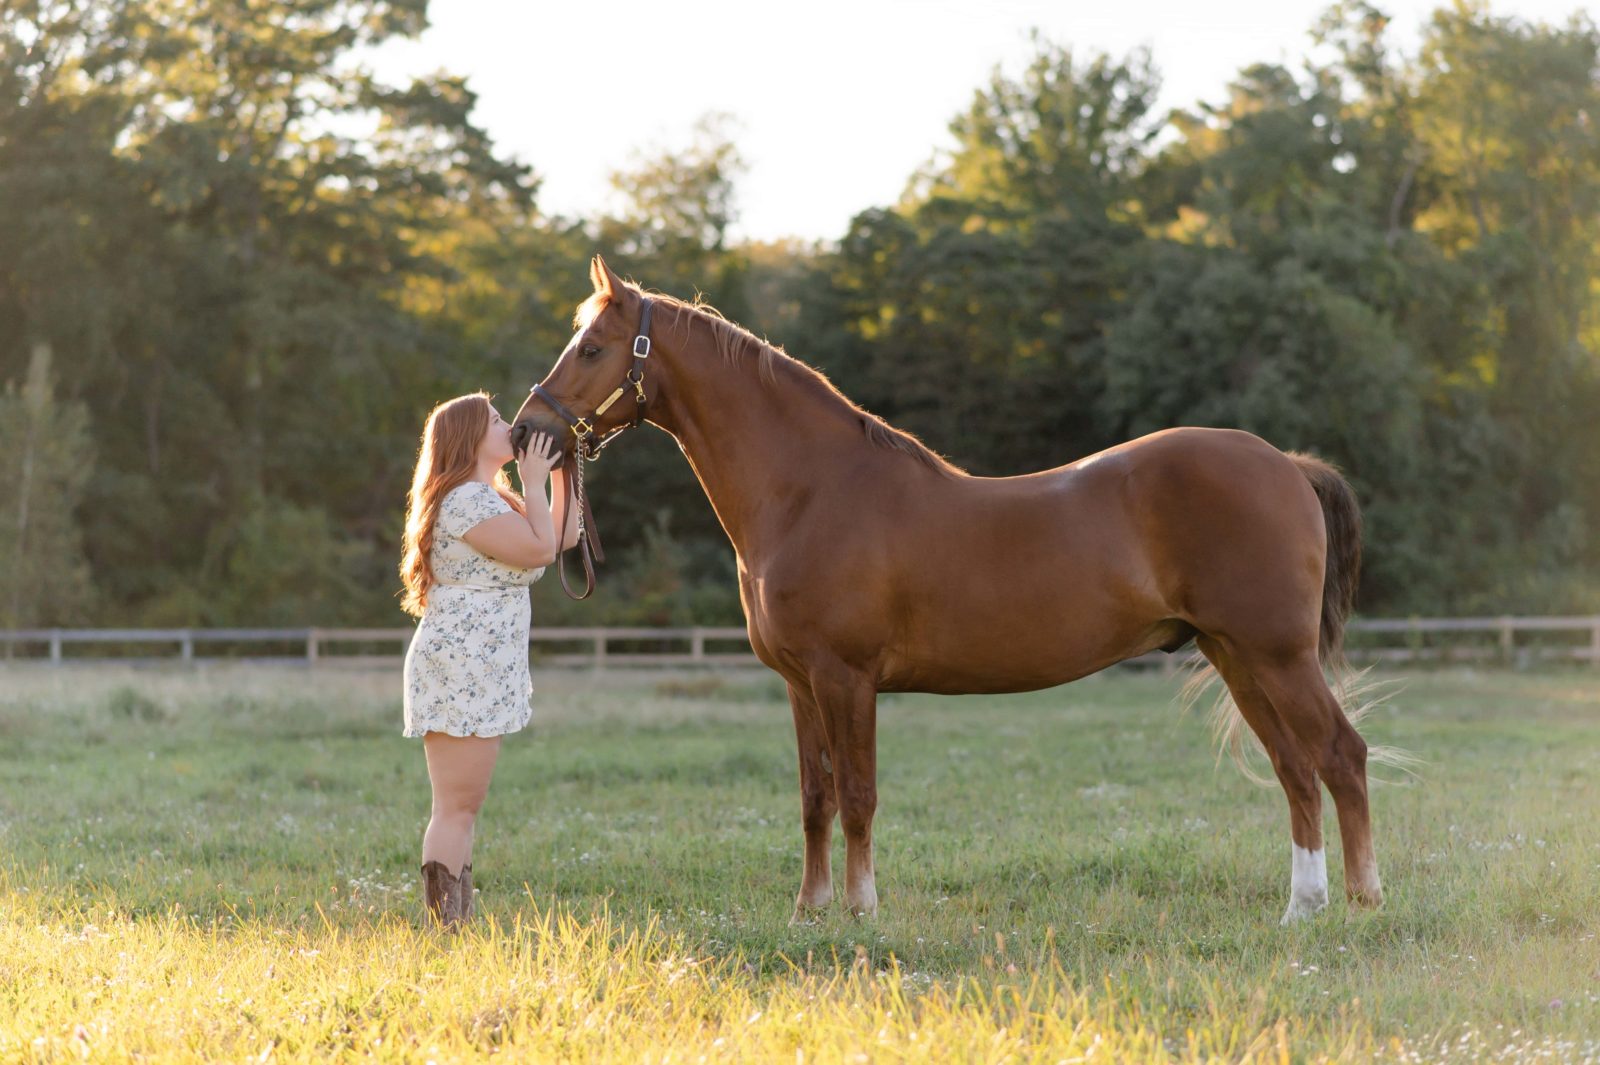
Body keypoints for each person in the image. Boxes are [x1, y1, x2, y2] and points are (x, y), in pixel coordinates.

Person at [398, 392, 576, 928]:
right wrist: (537, 480)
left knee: (463, 806)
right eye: (497, 420)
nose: (510, 425)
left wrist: (564, 470)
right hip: (464, 665)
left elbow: (561, 536)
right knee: (457, 806)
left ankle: (455, 922)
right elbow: (540, 551)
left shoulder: (489, 496)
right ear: (471, 437)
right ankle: (446, 928)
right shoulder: (467, 501)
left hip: (480, 664)